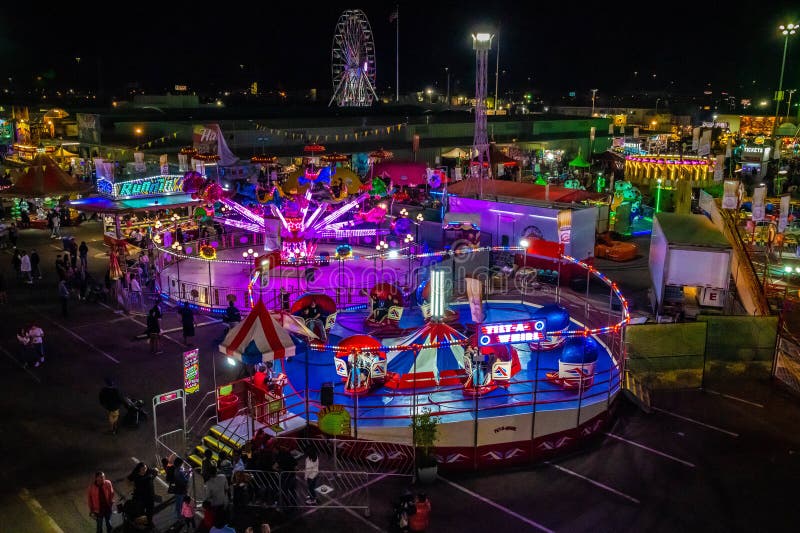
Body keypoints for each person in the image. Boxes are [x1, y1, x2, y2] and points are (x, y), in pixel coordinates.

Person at [127, 462, 156, 527]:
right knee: (141, 512)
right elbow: (127, 480)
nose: (145, 470)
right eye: (143, 469)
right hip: (140, 497)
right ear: (139, 469)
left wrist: (156, 471)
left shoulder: (148, 471)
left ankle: (149, 522)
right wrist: (132, 485)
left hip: (150, 496)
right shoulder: (135, 474)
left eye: (145, 468)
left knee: (150, 510)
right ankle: (143, 524)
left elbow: (155, 471)